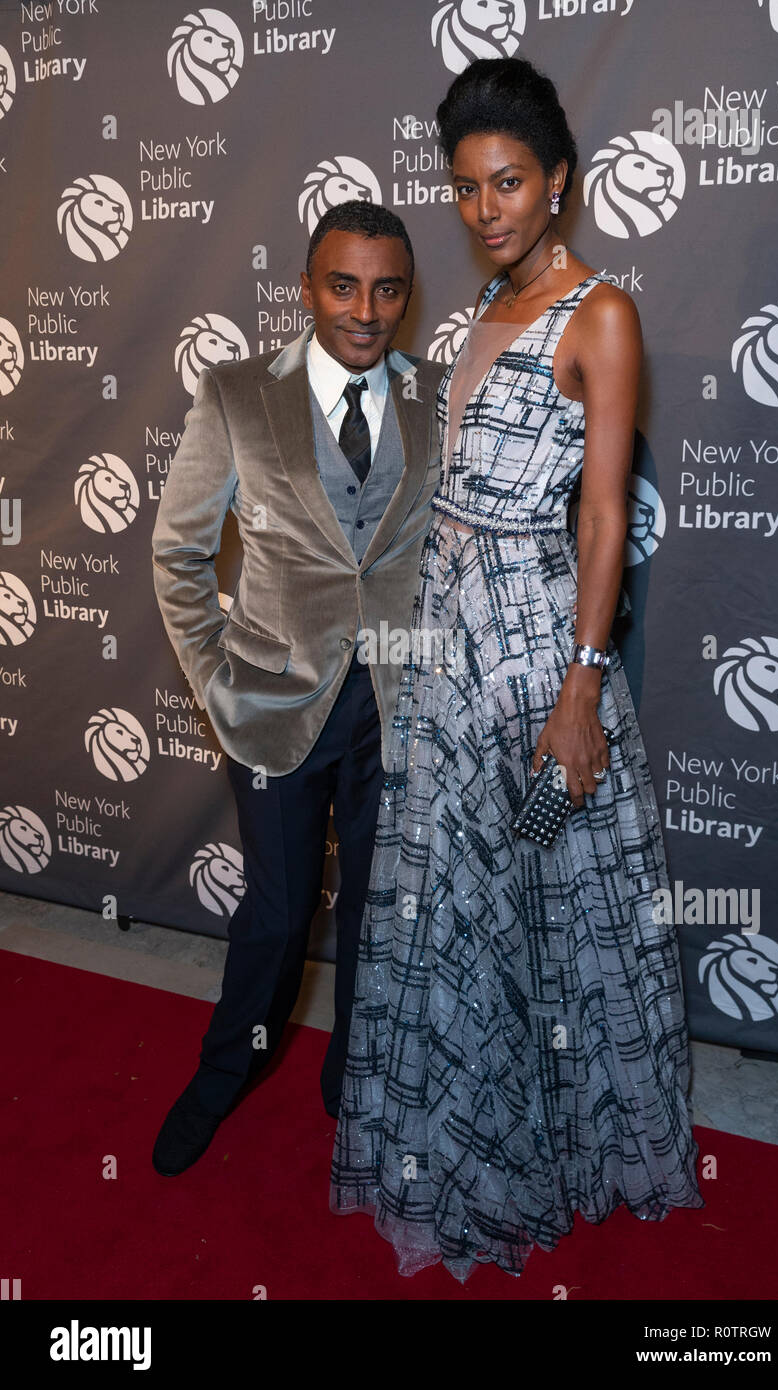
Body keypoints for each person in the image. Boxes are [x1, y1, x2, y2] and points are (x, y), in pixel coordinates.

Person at [330, 59, 705, 1281]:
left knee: (560, 918)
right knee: (456, 916)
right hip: (448, 650)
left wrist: (582, 691)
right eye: (465, 187)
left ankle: (564, 1152)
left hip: (538, 650)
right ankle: (468, 1152)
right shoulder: (467, 314)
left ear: (558, 185)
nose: (485, 207)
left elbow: (601, 517)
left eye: (508, 182)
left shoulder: (598, 312)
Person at [150, 201, 444, 1176]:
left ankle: (354, 1079)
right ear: (305, 287)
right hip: (273, 707)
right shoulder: (237, 394)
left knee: (374, 907)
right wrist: (214, 687)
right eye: (342, 284)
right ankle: (223, 1073)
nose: (365, 310)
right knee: (278, 917)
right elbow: (179, 551)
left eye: (386, 288)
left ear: (405, 294)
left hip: (394, 710)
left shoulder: (436, 395)